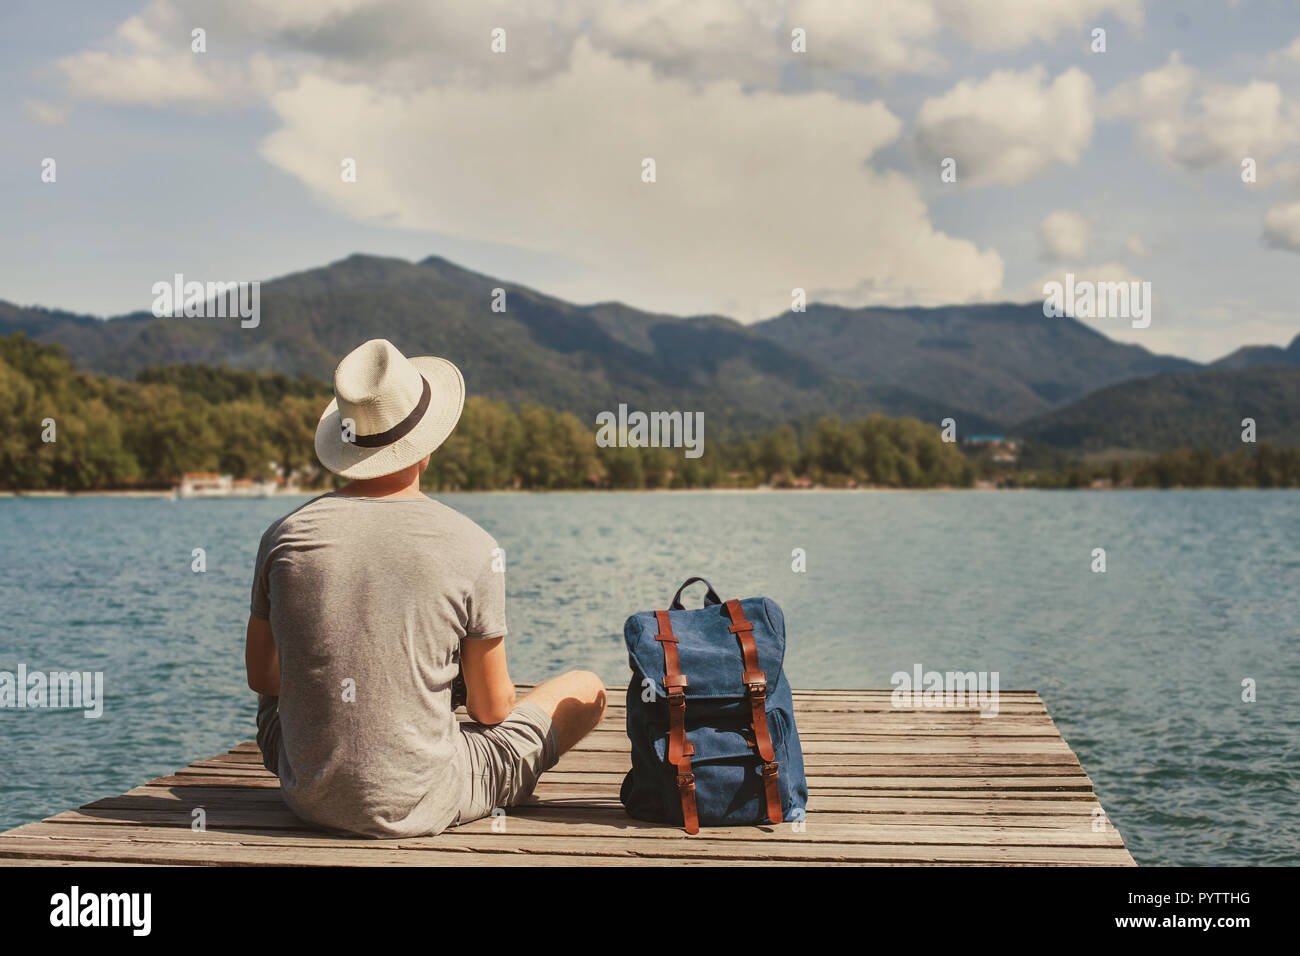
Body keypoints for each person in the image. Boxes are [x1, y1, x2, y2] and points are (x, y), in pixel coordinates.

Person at [245, 338, 607, 837]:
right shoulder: (473, 545)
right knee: (588, 688)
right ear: (427, 443)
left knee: (285, 671)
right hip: (423, 800)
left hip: (305, 791)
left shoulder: (283, 535)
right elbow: (491, 710)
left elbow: (264, 679)